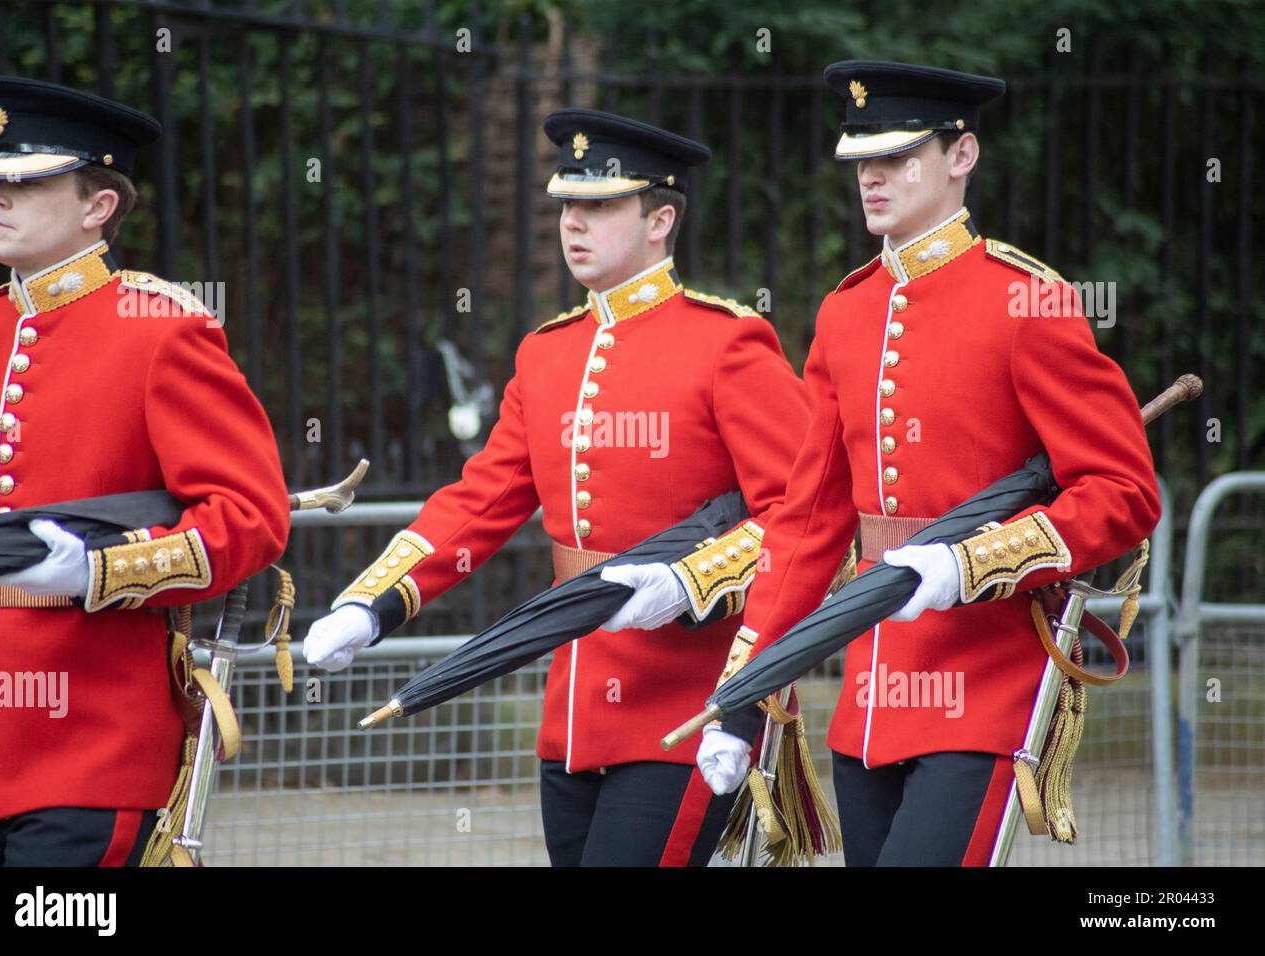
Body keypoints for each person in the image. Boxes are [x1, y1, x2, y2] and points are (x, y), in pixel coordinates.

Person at [304, 108, 807, 866]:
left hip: (689, 703)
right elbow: (482, 500)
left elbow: (802, 518)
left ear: (660, 218)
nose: (575, 223)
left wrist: (693, 579)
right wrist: (369, 602)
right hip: (574, 710)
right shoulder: (546, 354)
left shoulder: (727, 342)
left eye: (601, 206)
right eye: (568, 204)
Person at [695, 61, 1161, 866]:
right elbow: (810, 518)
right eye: (862, 160)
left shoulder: (1027, 300)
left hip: (984, 685)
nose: (873, 177)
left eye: (899, 157)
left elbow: (1122, 493)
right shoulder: (846, 310)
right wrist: (746, 683)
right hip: (870, 701)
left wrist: (972, 562)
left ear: (962, 155)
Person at [0, 76, 289, 866]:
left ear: (97, 206)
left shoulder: (160, 329)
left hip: (90, 745)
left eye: (25, 181)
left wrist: (101, 570)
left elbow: (249, 517)